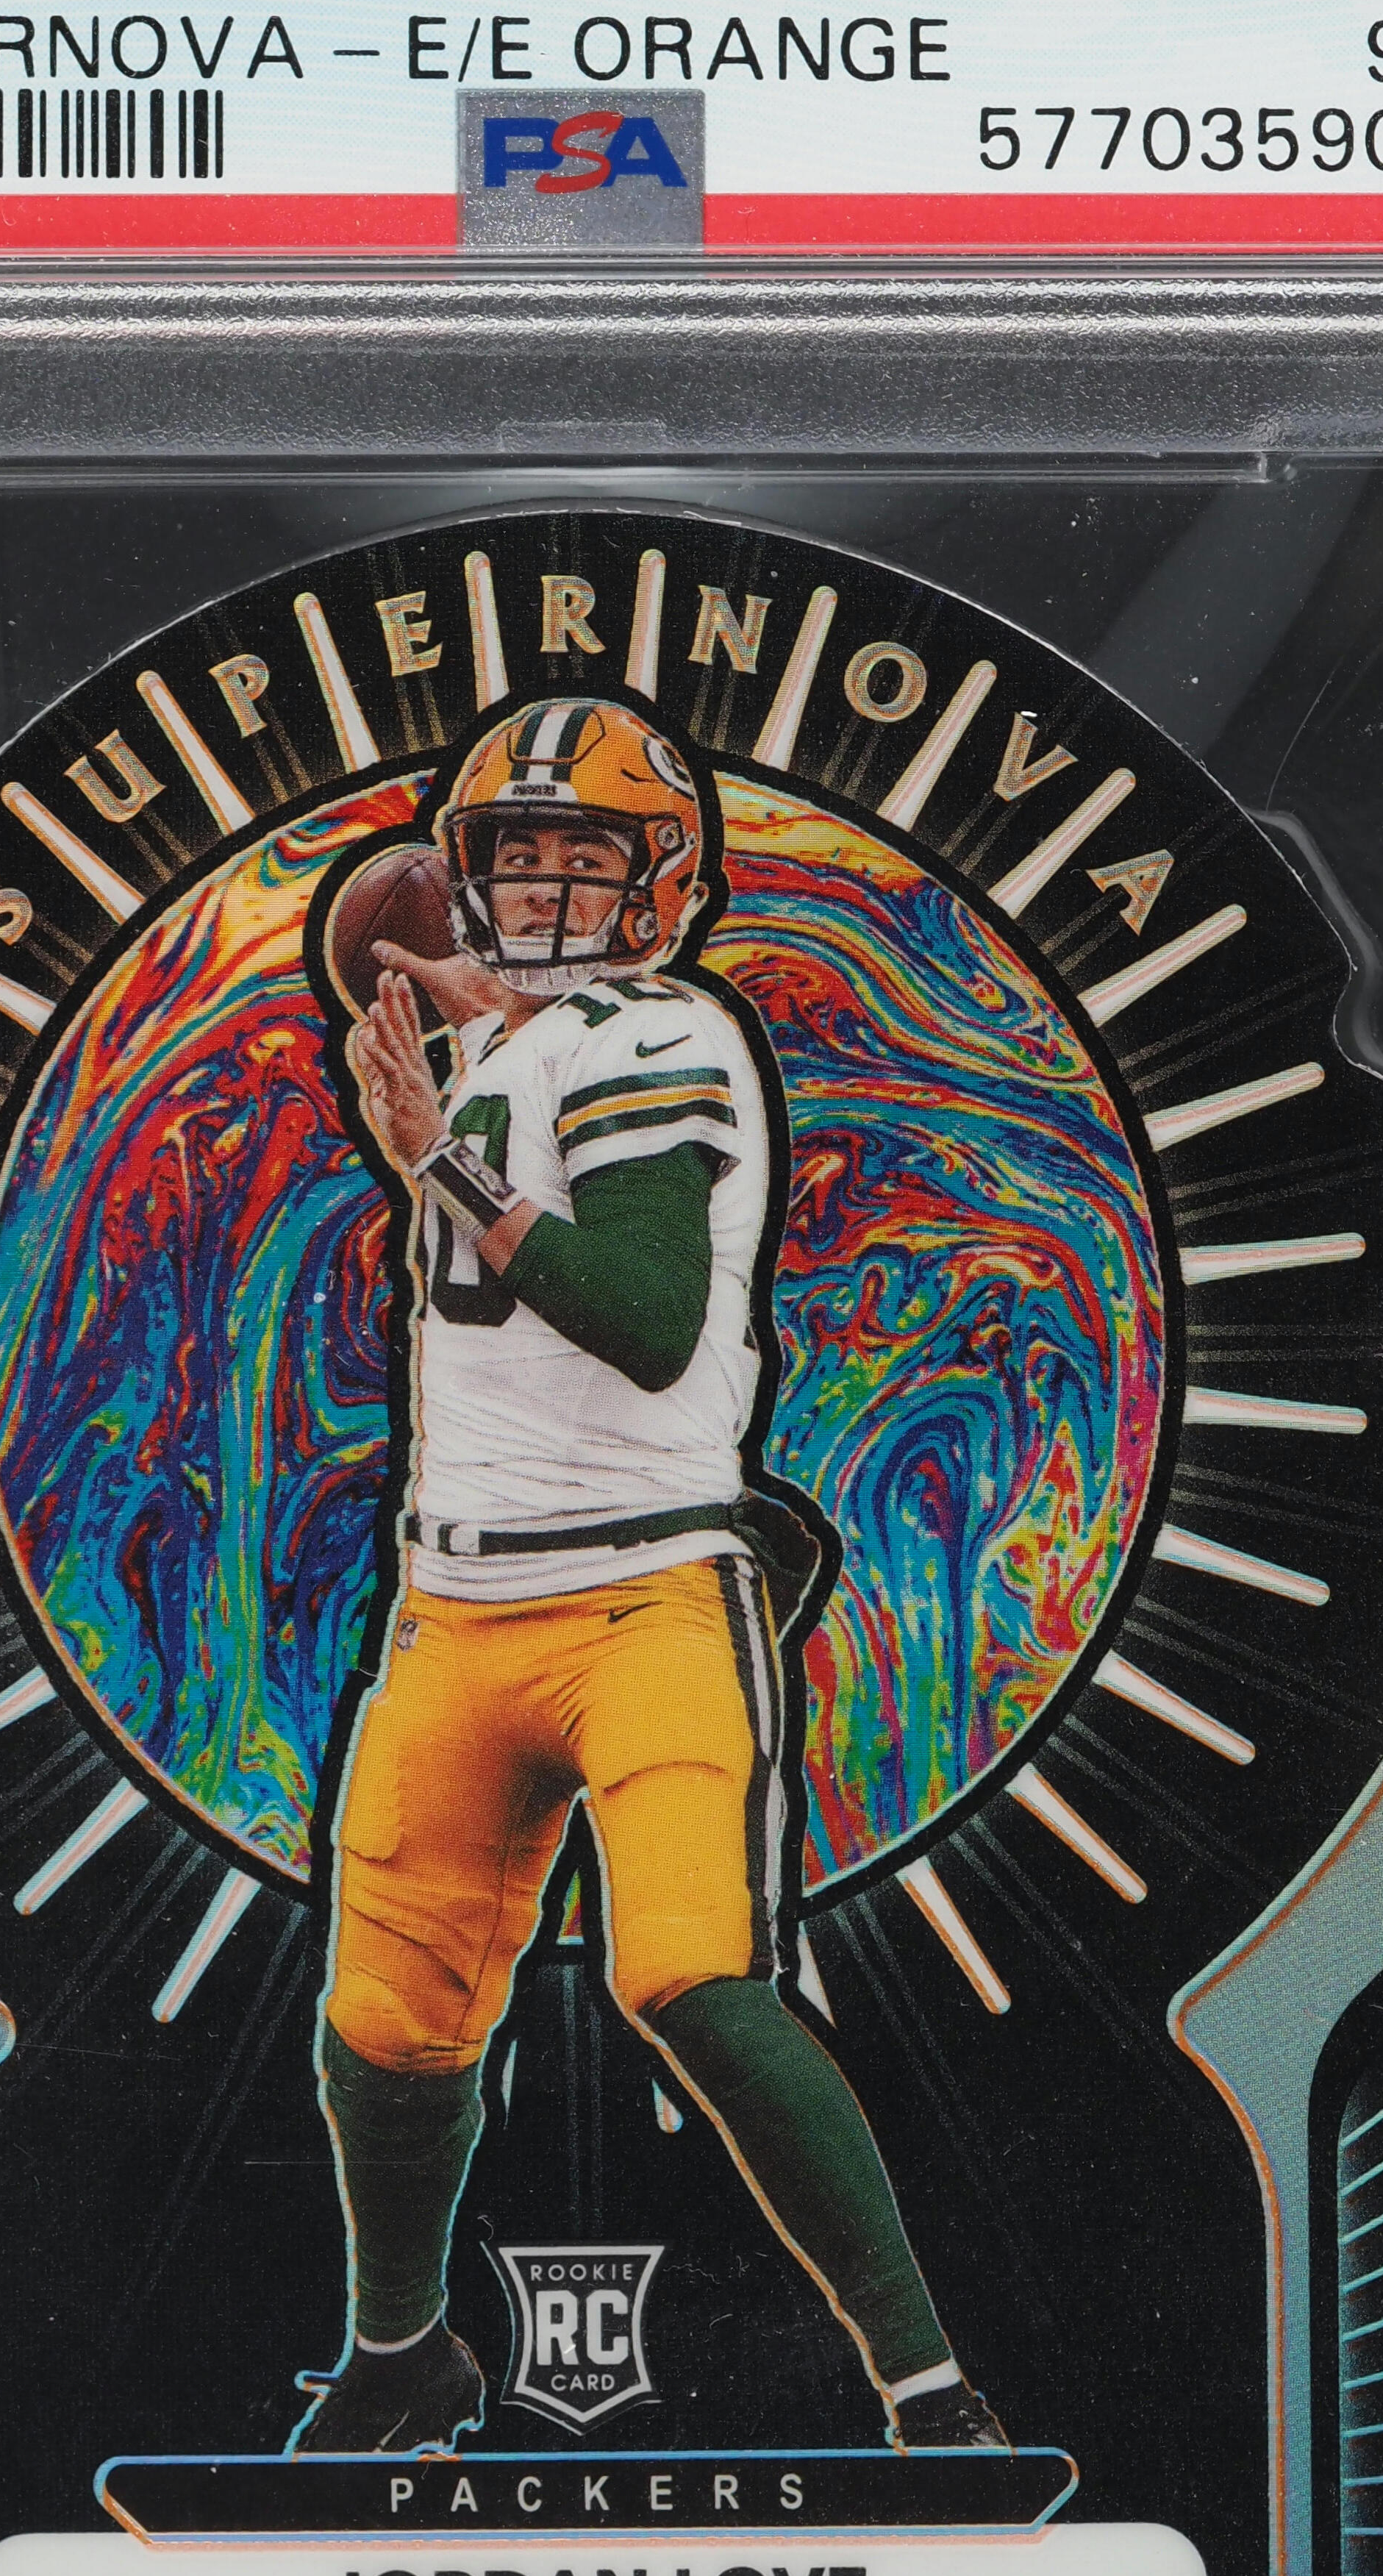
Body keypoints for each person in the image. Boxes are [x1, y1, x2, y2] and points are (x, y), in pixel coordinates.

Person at [292, 693, 1006, 2461]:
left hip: (643, 1596)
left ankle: (930, 2385)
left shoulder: (661, 1028)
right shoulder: (513, 1040)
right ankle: (401, 2354)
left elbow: (641, 1312)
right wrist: (447, 1052)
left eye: (581, 853)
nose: (542, 887)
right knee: (378, 2025)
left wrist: (436, 1154)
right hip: (452, 1605)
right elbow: (502, 1111)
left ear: (662, 878)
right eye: (513, 853)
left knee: (691, 1973)